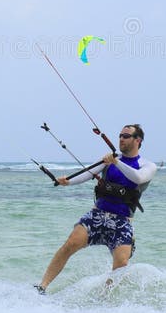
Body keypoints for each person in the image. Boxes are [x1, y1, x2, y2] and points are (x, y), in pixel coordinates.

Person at [34, 124, 157, 293]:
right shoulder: (110, 160)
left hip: (122, 222)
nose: (121, 138)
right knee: (70, 244)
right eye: (120, 135)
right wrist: (68, 182)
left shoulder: (147, 165)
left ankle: (103, 299)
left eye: (126, 136)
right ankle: (42, 286)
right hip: (97, 215)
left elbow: (138, 178)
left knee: (121, 265)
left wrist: (116, 162)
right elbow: (88, 173)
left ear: (138, 140)